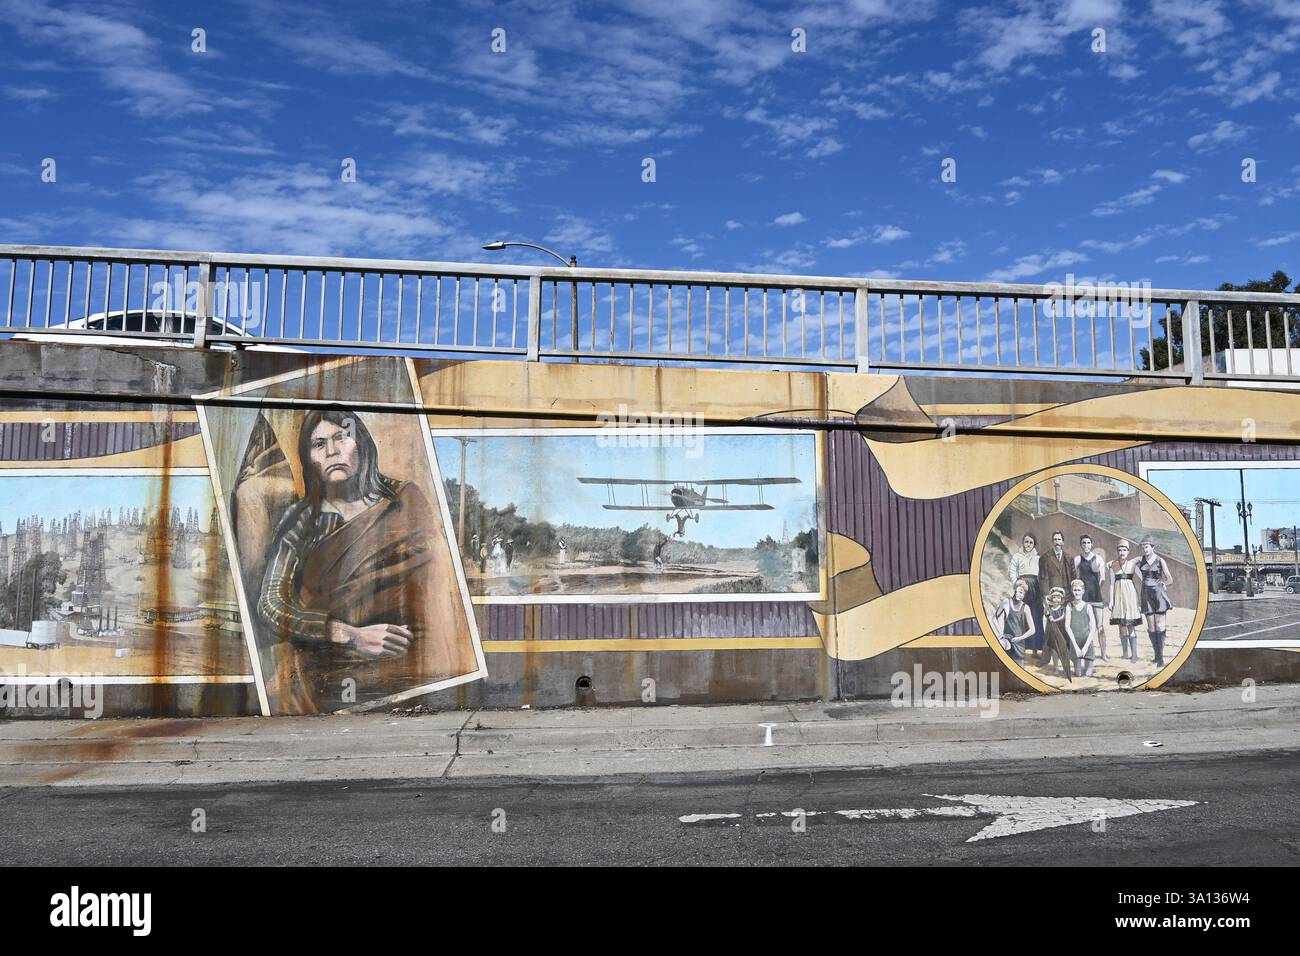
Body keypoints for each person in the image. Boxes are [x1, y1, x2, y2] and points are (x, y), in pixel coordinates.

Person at [258, 409, 473, 712]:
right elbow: (269, 604)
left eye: (341, 437)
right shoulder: (300, 521)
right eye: (319, 444)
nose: (331, 451)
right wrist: (348, 635)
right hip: (323, 673)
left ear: (362, 444)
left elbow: (437, 589)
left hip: (412, 665)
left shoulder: (405, 500)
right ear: (309, 458)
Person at [1136, 536, 1174, 666]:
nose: (1144, 549)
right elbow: (1127, 563)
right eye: (1143, 547)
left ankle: (1161, 658)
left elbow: (1170, 579)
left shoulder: (1160, 560)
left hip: (1158, 595)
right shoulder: (1140, 560)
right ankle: (1156, 655)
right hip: (1146, 595)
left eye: (1146, 547)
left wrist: (1164, 584)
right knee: (1151, 627)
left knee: (1160, 626)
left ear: (1152, 547)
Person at [1039, 531, 1073, 663]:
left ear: (1063, 542)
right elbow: (1042, 578)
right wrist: (1047, 598)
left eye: (1059, 539)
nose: (1057, 542)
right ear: (1052, 542)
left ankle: (1068, 655)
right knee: (1051, 627)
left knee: (1066, 625)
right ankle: (1049, 658)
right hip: (1053, 599)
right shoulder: (1045, 557)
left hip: (1067, 597)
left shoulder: (1069, 558)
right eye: (1055, 539)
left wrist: (1072, 597)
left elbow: (1074, 577)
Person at [1007, 533, 1044, 656]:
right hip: (1021, 586)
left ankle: (1035, 648)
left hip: (1035, 588)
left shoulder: (1038, 558)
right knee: (1019, 616)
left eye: (1031, 542)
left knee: (1035, 616)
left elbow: (1041, 575)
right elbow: (1012, 571)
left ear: (1034, 545)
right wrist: (1017, 583)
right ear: (1023, 542)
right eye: (1026, 542)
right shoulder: (1017, 556)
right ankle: (1019, 647)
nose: (1028, 544)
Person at [1074, 534, 1108, 661]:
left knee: (1100, 627)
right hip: (1084, 598)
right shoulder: (1077, 559)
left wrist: (1095, 588)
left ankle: (1104, 654)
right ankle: (1085, 653)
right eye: (1084, 543)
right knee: (1085, 627)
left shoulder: (1098, 559)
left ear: (1092, 544)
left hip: (1096, 596)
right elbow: (1075, 578)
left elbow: (1103, 578)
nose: (1086, 545)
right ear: (1081, 545)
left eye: (1088, 542)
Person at [1108, 538, 1142, 663]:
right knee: (1122, 626)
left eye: (1124, 550)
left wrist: (1139, 601)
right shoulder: (1113, 565)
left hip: (1131, 598)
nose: (1122, 552)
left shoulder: (1133, 566)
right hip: (1118, 598)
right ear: (1117, 551)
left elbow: (1143, 580)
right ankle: (1125, 653)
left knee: (1131, 626)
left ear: (1128, 552)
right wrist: (1111, 601)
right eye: (1120, 549)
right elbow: (1111, 584)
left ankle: (1135, 655)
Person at [992, 577, 1037, 664]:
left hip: (1019, 644)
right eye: (1018, 591)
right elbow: (994, 618)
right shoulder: (1006, 602)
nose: (1019, 594)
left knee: (1019, 669)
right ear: (1015, 590)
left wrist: (1020, 638)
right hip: (1007, 640)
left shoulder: (1026, 608)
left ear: (1025, 595)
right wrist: (1000, 634)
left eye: (1022, 593)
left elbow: (1032, 630)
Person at [1065, 578, 1098, 677]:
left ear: (1083, 591)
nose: (1077, 592)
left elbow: (1093, 627)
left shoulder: (1088, 606)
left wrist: (1085, 647)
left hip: (1086, 640)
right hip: (1075, 641)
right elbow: (1067, 626)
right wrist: (1076, 646)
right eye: (1075, 590)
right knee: (1078, 674)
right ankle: (1080, 666)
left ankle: (1090, 667)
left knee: (1087, 674)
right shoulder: (1069, 606)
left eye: (1079, 590)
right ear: (1072, 591)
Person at [1041, 586, 1074, 683]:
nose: (1056, 599)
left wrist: (1055, 620)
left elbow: (1063, 617)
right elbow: (1045, 613)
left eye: (1058, 597)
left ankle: (1064, 667)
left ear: (1061, 599)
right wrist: (1046, 605)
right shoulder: (1050, 609)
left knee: (1063, 649)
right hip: (1052, 633)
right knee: (1054, 651)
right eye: (1054, 597)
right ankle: (1055, 667)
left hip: (1061, 631)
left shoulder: (1063, 609)